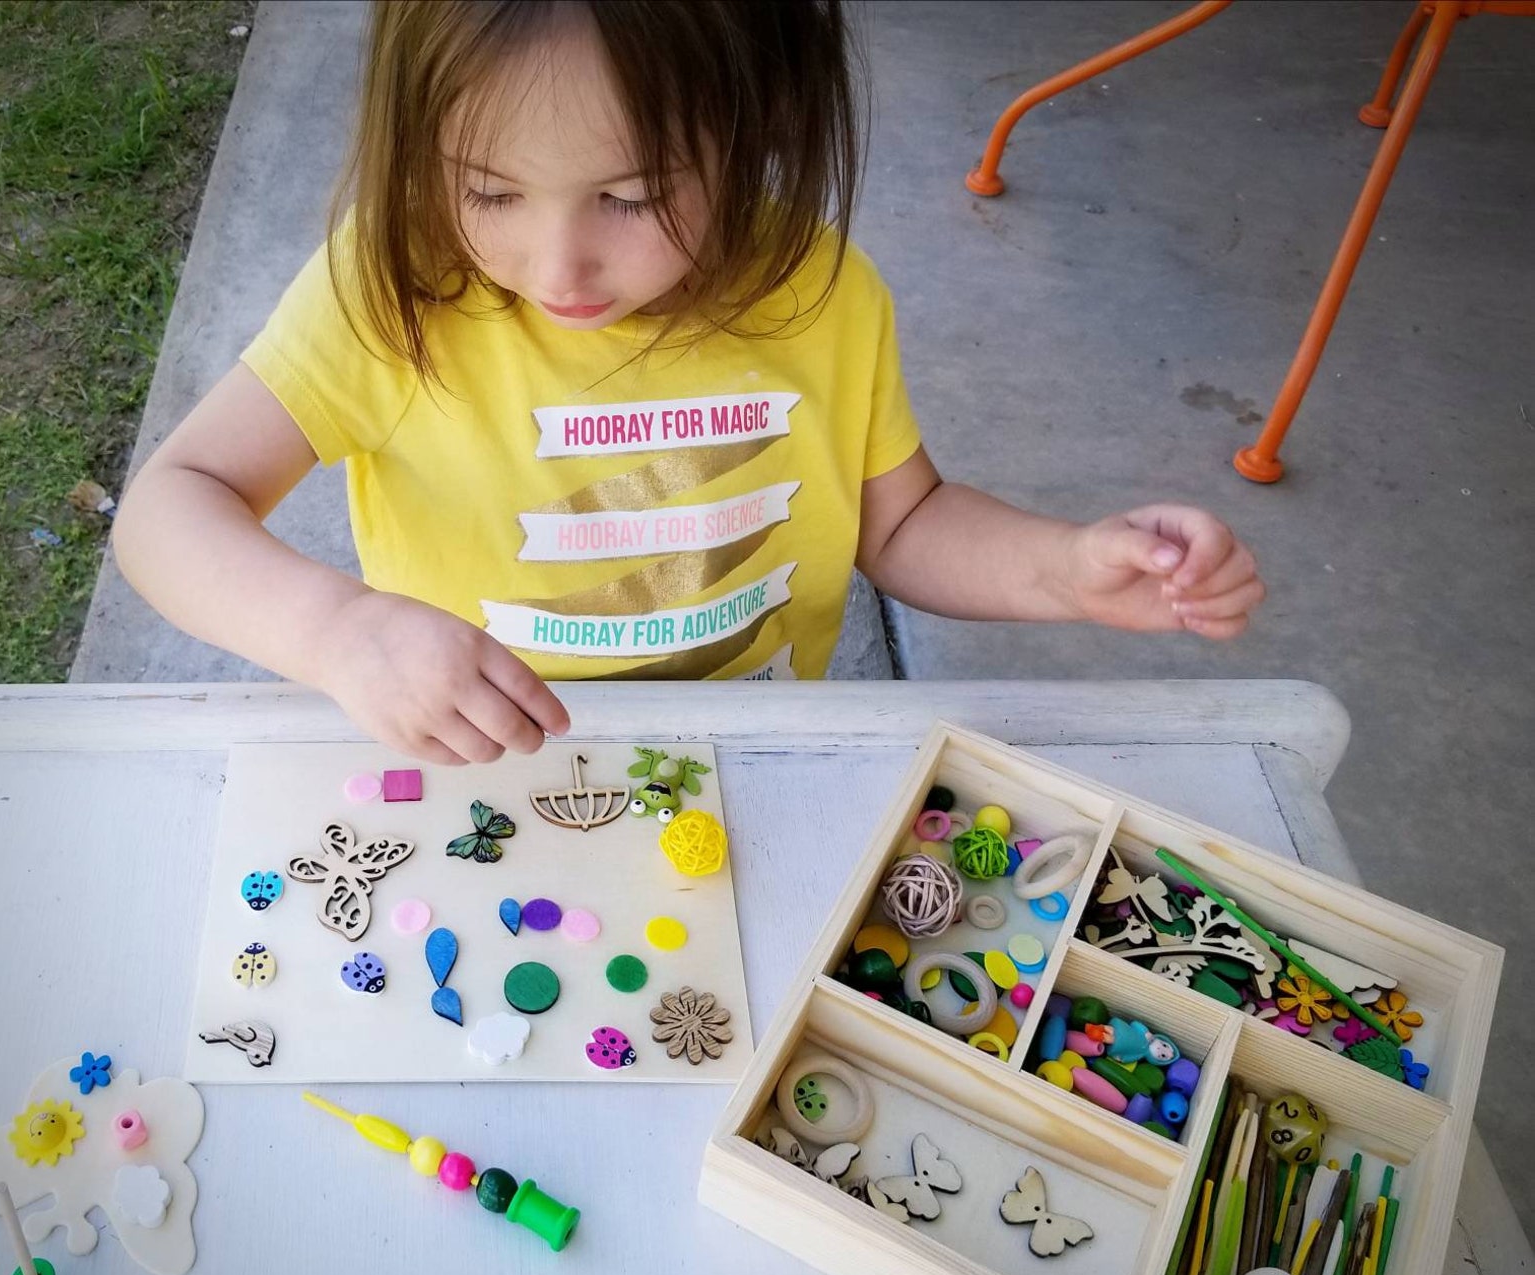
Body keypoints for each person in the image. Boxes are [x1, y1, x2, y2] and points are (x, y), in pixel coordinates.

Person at [113, 0, 1263, 765]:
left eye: (628, 196)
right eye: (487, 190)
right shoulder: (396, 287)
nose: (555, 264)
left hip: (744, 762)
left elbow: (901, 523)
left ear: (756, 122)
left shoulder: (816, 290)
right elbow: (172, 508)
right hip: (481, 769)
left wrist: (1065, 570)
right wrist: (333, 630)